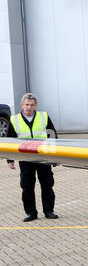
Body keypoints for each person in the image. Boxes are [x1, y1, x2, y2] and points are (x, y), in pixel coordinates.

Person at [7, 93, 58, 221]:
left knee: (47, 184)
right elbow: (9, 141)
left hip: (43, 157)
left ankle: (49, 211)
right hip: (26, 158)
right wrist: (10, 159)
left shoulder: (44, 117)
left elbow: (52, 136)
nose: (29, 107)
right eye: (27, 105)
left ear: (35, 105)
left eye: (32, 105)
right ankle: (31, 213)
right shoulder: (14, 119)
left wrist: (55, 157)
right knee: (27, 186)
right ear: (22, 105)